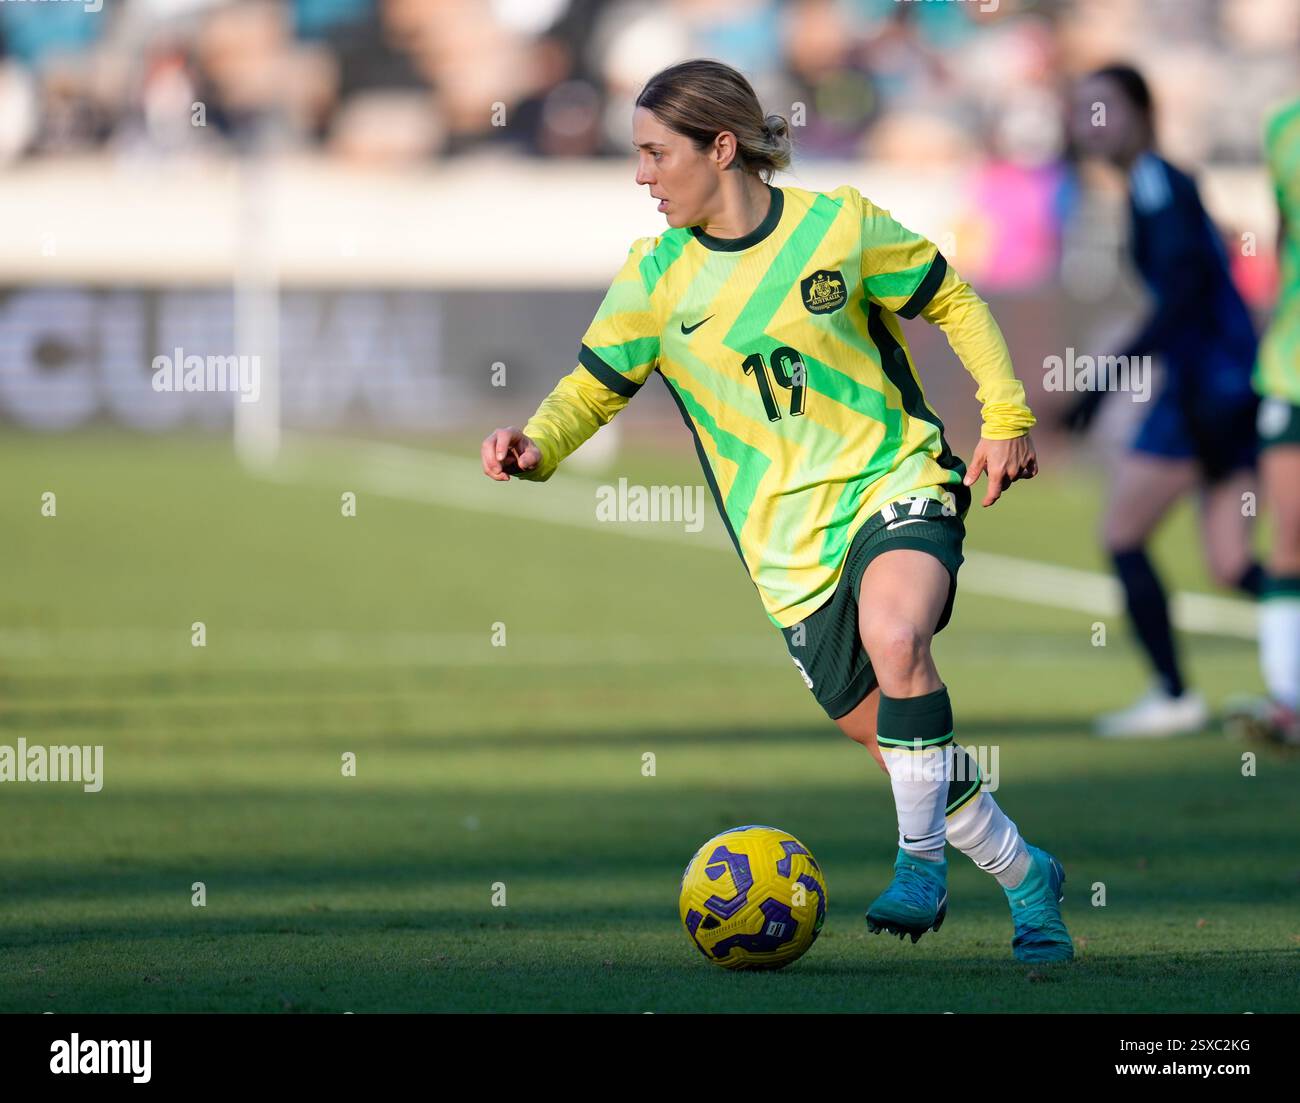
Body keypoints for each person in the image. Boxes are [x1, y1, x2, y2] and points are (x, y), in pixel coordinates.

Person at [481, 59, 1071, 962]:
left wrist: (1006, 416)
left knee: (897, 634)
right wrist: (536, 444)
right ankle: (1028, 874)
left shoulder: (839, 226)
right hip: (787, 557)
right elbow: (590, 393)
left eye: (654, 152)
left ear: (721, 147)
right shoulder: (655, 279)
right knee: (913, 757)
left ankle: (918, 865)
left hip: (894, 482)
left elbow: (951, 296)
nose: (641, 174)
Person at [1063, 64, 1264, 739]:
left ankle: (1174, 694)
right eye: (1082, 110)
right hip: (1228, 383)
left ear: (1142, 111)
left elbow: (1182, 300)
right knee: (1235, 564)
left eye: (1104, 108)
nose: (1091, 124)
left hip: (1205, 387)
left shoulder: (1154, 182)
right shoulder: (1153, 183)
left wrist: (1102, 381)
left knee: (1122, 534)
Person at [1226, 95, 1300, 748]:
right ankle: (1288, 701)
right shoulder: (1284, 128)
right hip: (1291, 366)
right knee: (1289, 533)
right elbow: (1282, 233)